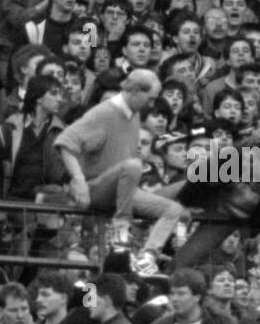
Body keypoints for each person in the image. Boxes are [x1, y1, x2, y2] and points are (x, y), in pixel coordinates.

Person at [54, 68, 185, 270]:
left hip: (124, 189)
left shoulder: (132, 114)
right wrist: (78, 179)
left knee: (173, 210)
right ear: (134, 92)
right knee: (133, 165)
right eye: (149, 99)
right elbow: (65, 142)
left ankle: (147, 256)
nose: (151, 105)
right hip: (97, 188)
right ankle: (120, 234)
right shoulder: (103, 113)